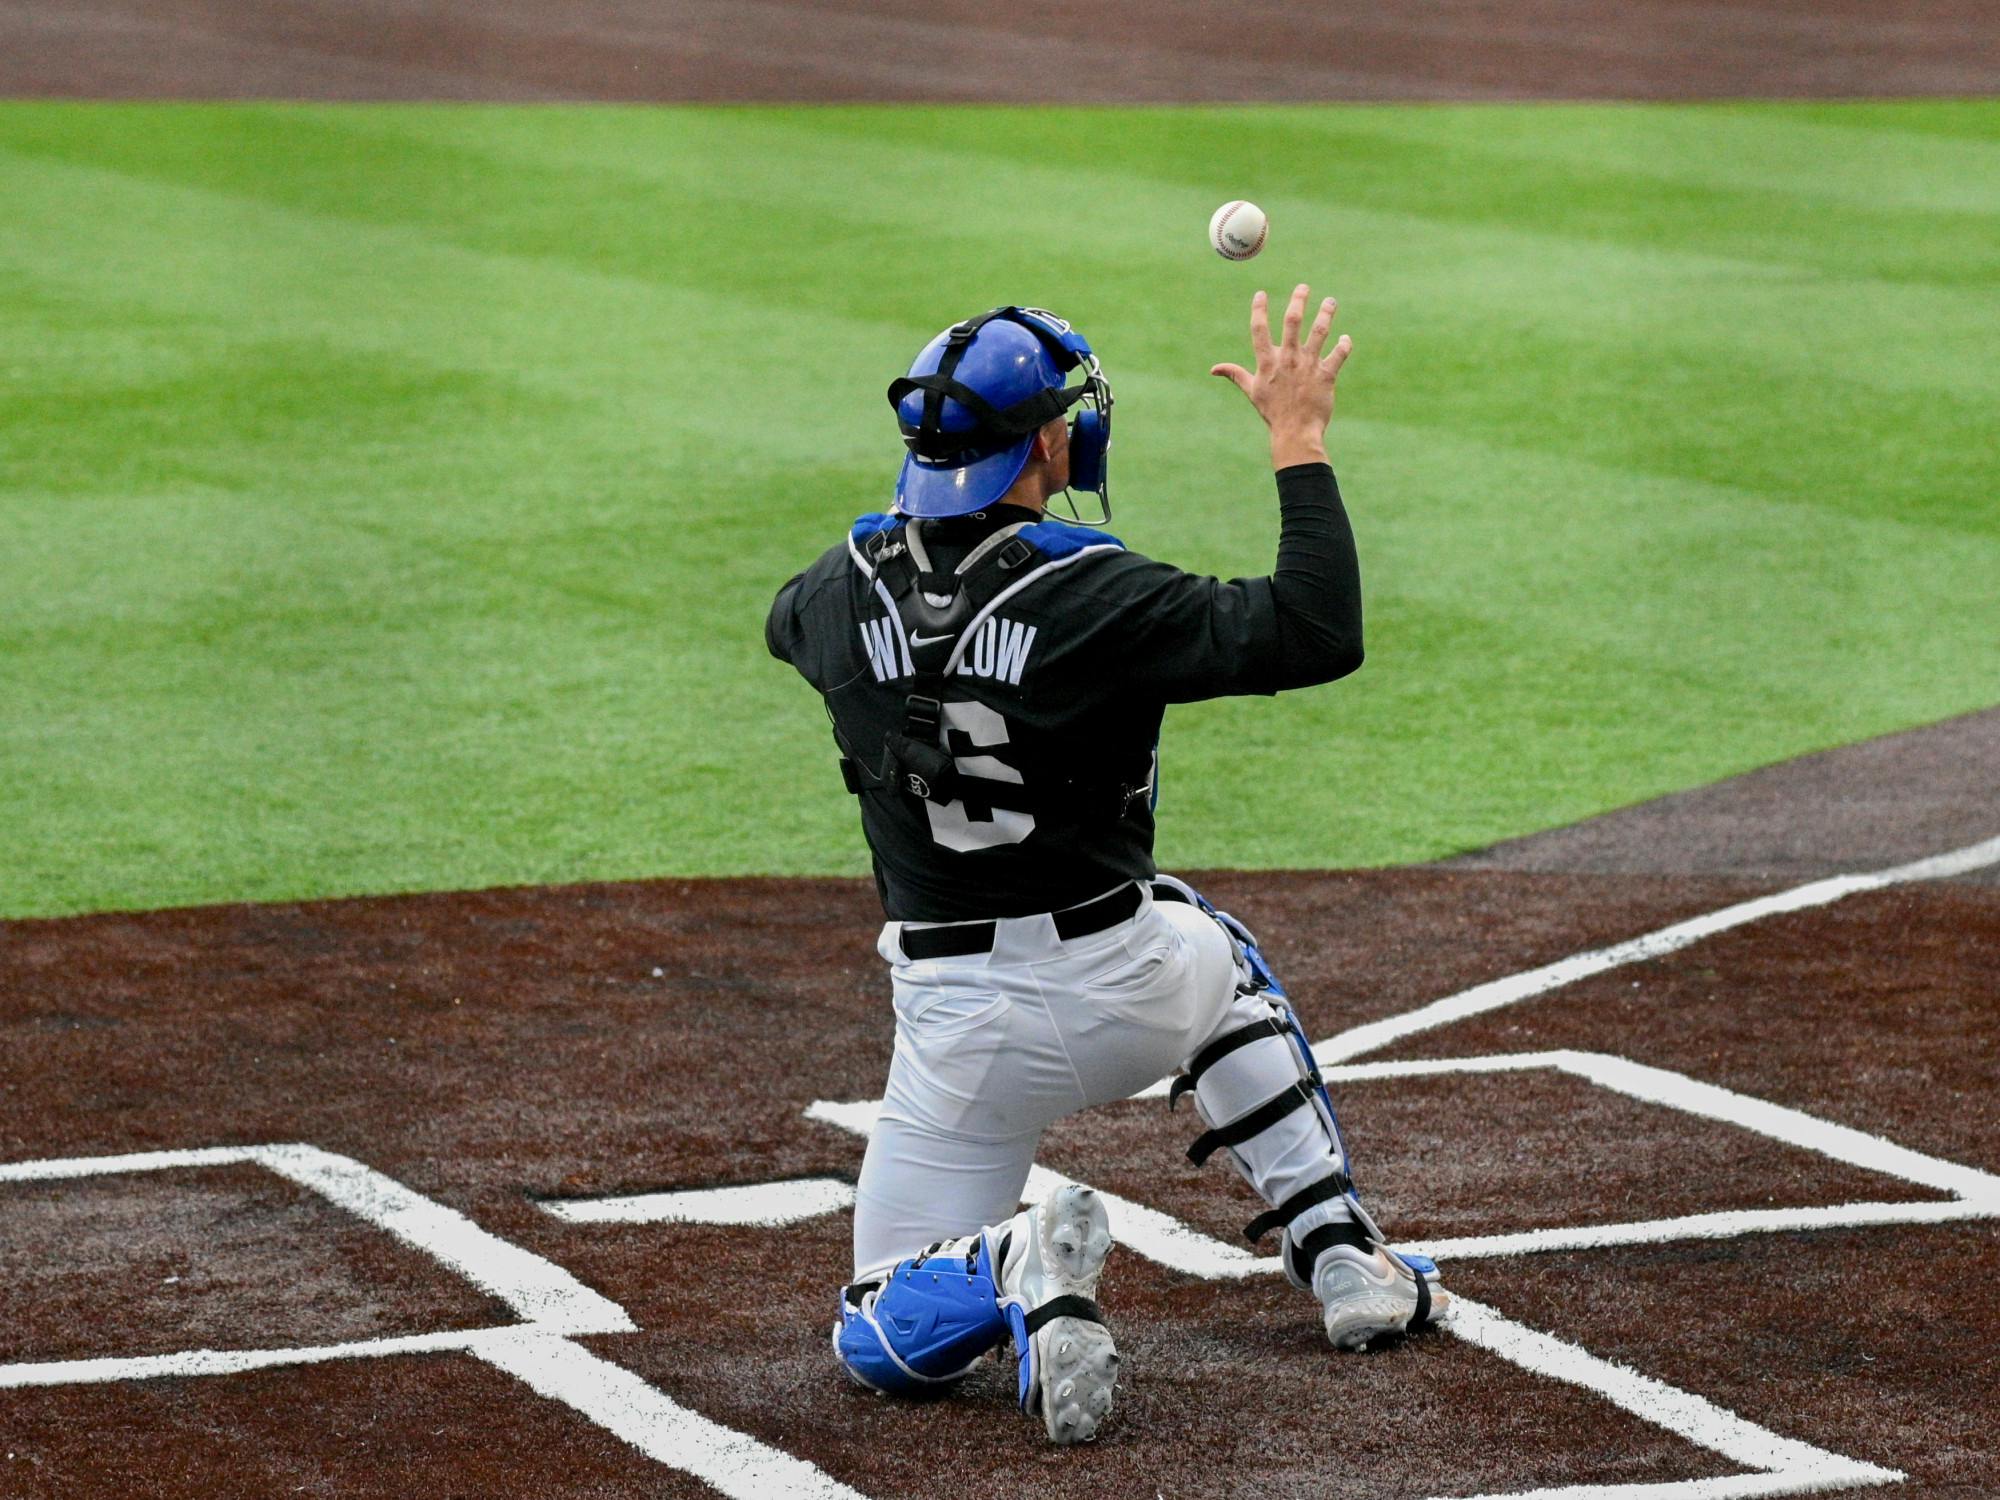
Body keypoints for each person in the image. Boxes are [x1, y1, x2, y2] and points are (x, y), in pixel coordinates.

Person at [764, 285, 1447, 1446]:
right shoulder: (1096, 593)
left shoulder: (827, 597)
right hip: (1132, 985)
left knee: (874, 1335)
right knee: (1211, 947)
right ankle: (1341, 1254)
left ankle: (1014, 1258)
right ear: (1046, 442)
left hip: (960, 1039)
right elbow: (1315, 630)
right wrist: (1298, 437)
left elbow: (812, 621)